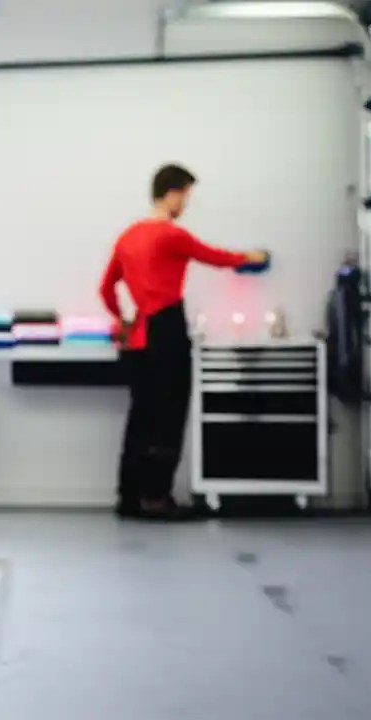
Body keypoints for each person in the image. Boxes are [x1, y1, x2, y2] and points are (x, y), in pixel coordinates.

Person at [99, 164, 267, 520]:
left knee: (140, 417)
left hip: (139, 334)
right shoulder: (171, 235)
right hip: (167, 329)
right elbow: (216, 257)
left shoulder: (127, 237)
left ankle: (129, 497)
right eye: (186, 196)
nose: (186, 204)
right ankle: (156, 498)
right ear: (173, 193)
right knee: (169, 415)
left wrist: (123, 319)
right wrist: (251, 258)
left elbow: (106, 287)